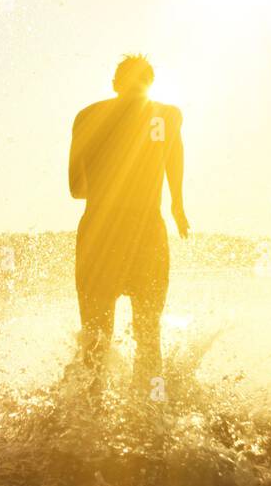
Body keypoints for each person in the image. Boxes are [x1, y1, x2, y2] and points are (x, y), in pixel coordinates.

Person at [68, 54, 188, 386]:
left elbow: (76, 188)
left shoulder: (87, 116)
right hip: (146, 232)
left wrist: (110, 175)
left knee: (95, 340)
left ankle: (87, 423)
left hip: (98, 234)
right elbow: (173, 159)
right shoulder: (167, 116)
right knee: (148, 337)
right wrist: (177, 203)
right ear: (150, 84)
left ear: (114, 84)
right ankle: (152, 418)